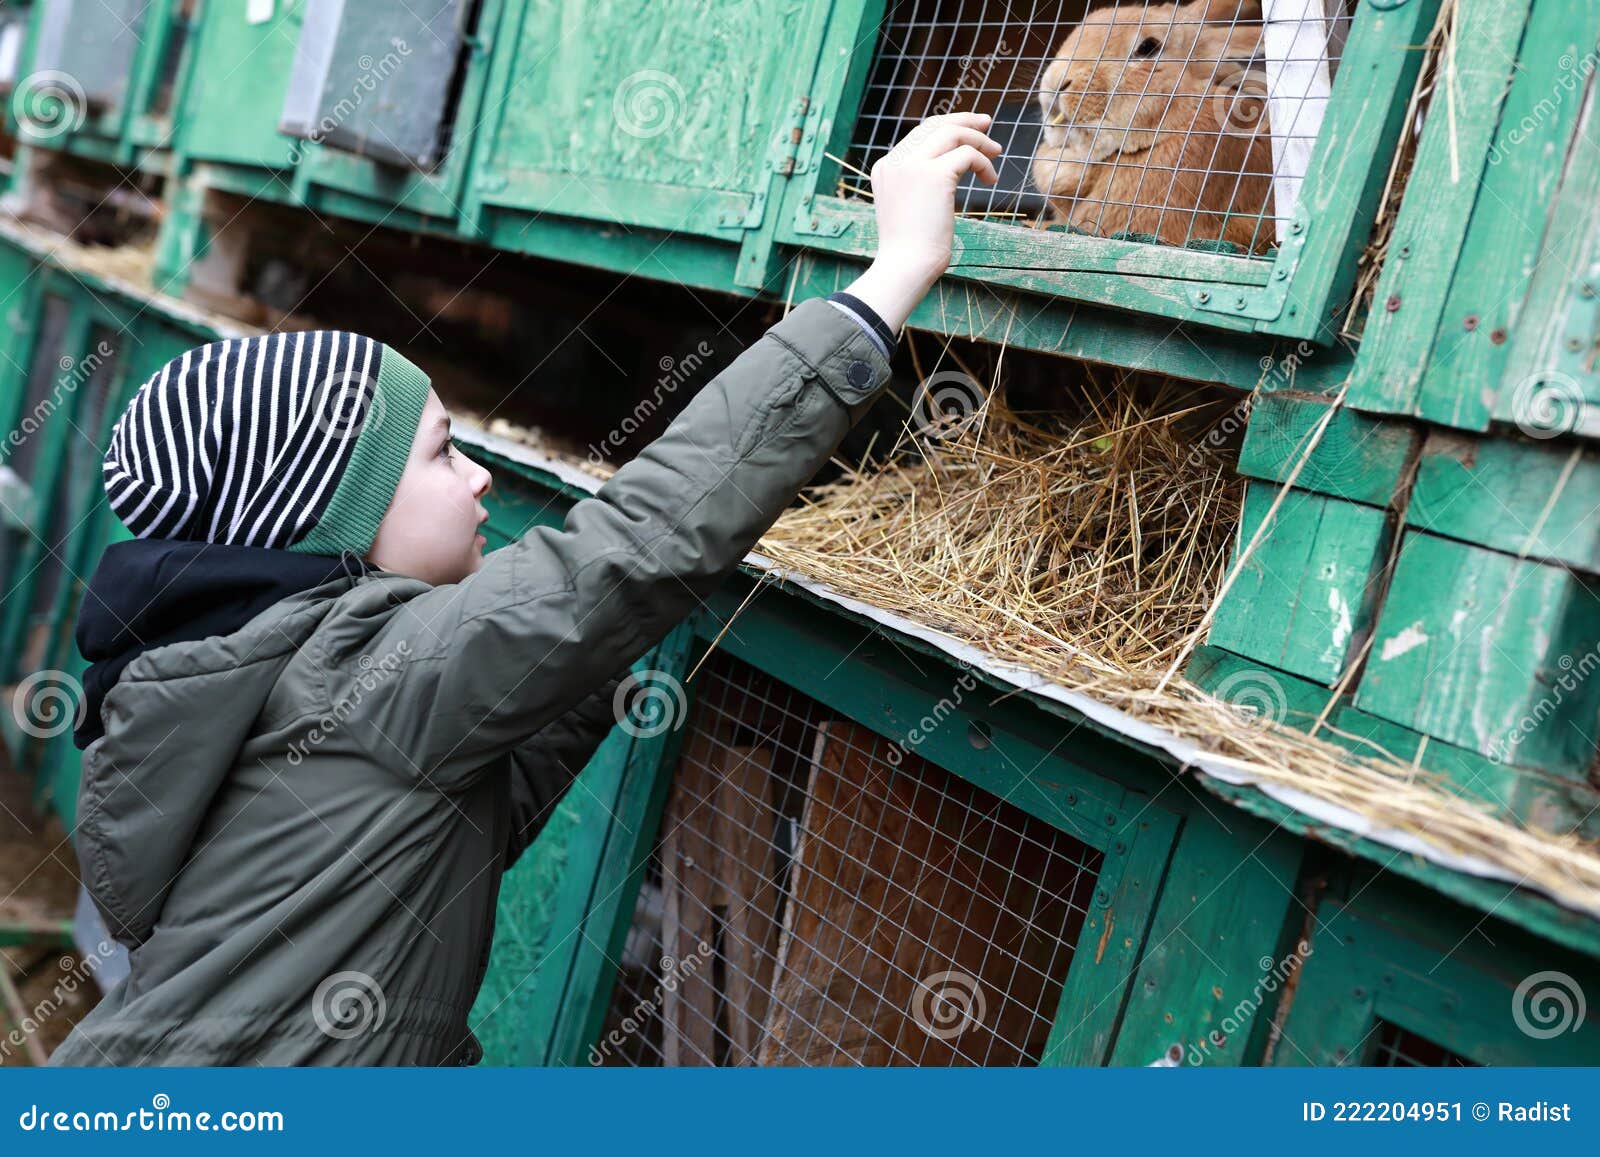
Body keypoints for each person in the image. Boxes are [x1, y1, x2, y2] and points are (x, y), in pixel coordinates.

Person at [49, 113, 1002, 1065]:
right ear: (336, 517)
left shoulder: (246, 677)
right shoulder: (368, 675)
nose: (479, 478)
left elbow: (481, 795)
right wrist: (890, 278)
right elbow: (633, 547)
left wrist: (610, 639)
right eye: (438, 452)